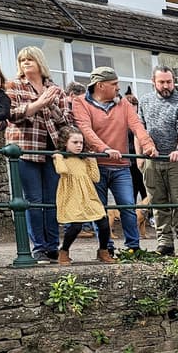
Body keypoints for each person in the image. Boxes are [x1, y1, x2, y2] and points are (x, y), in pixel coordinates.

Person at [70, 66, 157, 256]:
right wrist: (104, 149)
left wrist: (148, 145)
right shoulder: (80, 103)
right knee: (99, 210)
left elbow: (137, 125)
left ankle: (133, 248)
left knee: (127, 206)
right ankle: (105, 249)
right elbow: (85, 130)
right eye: (114, 84)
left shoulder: (123, 104)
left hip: (121, 166)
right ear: (100, 85)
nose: (118, 87)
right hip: (96, 165)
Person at [6, 45, 71, 264]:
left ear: (40, 62)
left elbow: (66, 123)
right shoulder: (13, 86)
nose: (25, 63)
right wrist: (37, 104)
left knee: (51, 200)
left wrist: (50, 106)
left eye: (30, 60)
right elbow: (10, 114)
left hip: (51, 150)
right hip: (25, 149)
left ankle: (53, 246)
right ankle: (39, 248)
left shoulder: (56, 89)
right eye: (22, 60)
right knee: (33, 200)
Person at [137, 66, 178, 258]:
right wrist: (140, 156)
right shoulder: (145, 101)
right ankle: (164, 242)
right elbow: (140, 129)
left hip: (175, 159)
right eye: (161, 82)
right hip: (152, 159)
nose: (166, 86)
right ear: (153, 81)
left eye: (169, 82)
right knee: (157, 201)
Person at [52, 126, 115, 265]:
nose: (79, 146)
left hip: (88, 195)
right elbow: (61, 170)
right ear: (65, 143)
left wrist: (92, 160)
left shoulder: (84, 159)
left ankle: (103, 251)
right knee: (76, 226)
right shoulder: (61, 158)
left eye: (81, 142)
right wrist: (59, 156)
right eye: (75, 142)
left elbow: (95, 178)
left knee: (103, 223)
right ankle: (64, 251)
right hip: (72, 195)